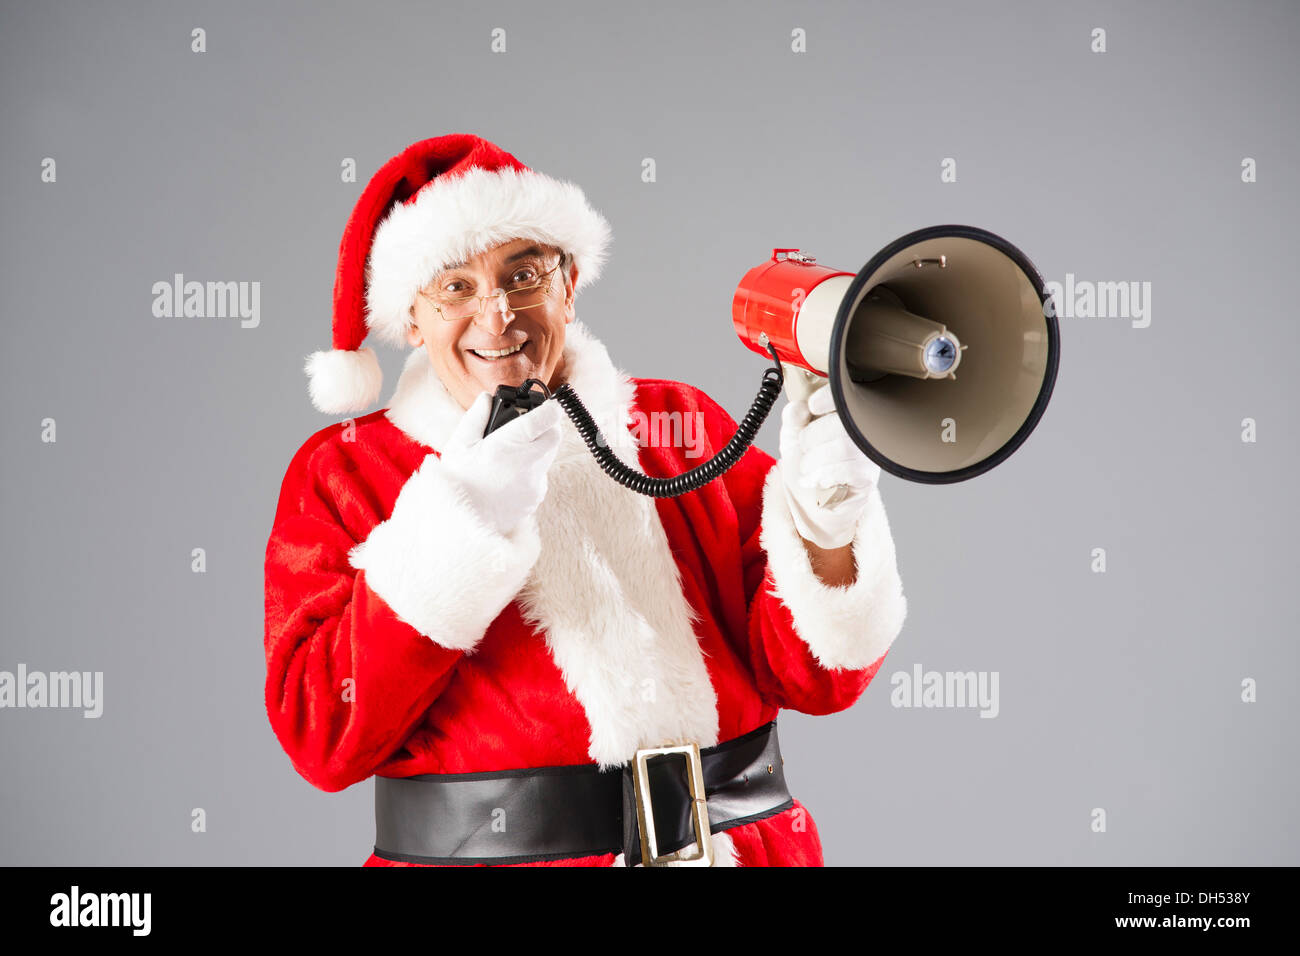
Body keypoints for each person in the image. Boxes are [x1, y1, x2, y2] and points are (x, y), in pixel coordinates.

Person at [263, 133, 908, 867]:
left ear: (569, 285)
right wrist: (458, 521)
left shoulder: (679, 428)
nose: (497, 314)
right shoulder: (347, 472)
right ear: (411, 317)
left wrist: (829, 525)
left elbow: (819, 679)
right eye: (455, 287)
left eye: (524, 274)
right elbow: (322, 737)